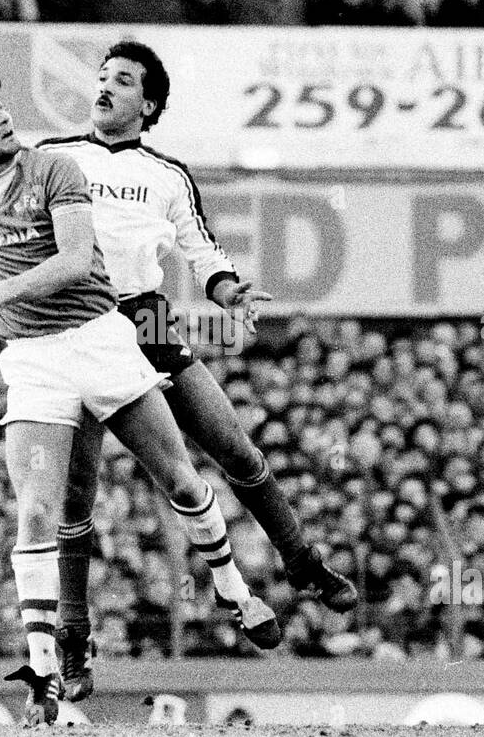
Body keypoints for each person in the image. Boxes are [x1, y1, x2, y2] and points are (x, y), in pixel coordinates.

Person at [0, 65, 278, 724]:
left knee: (184, 484)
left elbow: (77, 260)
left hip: (102, 339)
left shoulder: (53, 169)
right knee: (37, 514)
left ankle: (232, 589)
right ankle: (43, 677)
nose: (3, 117)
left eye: (0, 106)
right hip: (35, 363)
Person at [35, 42, 359, 700]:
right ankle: (75, 641)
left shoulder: (167, 175)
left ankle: (300, 561)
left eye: (122, 81)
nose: (105, 87)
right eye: (102, 77)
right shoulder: (54, 156)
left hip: (145, 317)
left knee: (234, 446)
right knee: (76, 500)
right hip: (74, 324)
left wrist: (229, 290)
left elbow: (200, 249)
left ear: (147, 104)